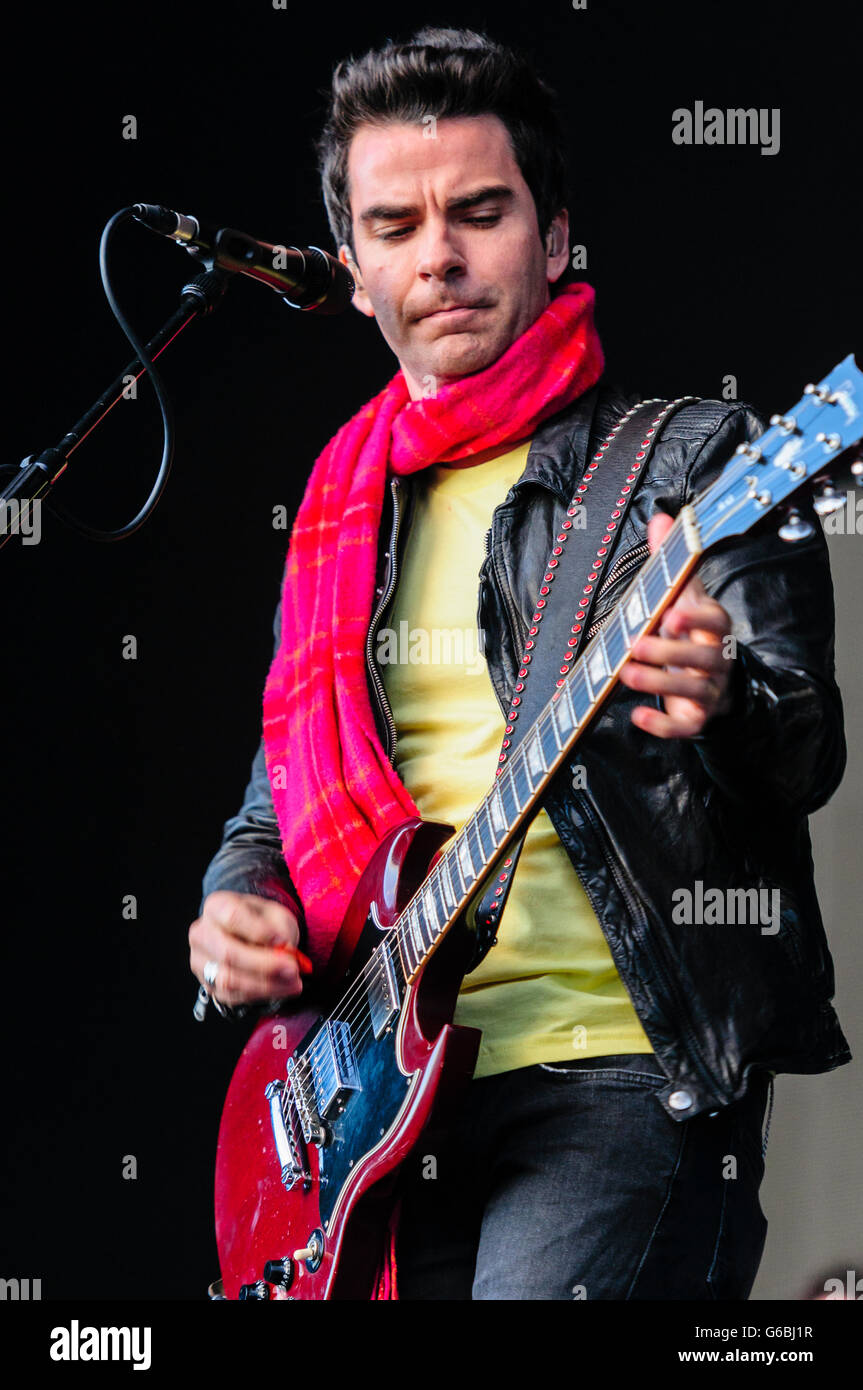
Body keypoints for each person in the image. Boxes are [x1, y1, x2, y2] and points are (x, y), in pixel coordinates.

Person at [187, 27, 850, 1299]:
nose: (438, 254)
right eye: (395, 227)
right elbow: (273, 803)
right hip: (376, 1105)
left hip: (619, 1075)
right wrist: (238, 909)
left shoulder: (692, 460)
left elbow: (803, 746)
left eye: (479, 212)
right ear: (353, 269)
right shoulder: (342, 512)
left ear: (551, 240)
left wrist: (713, 703)